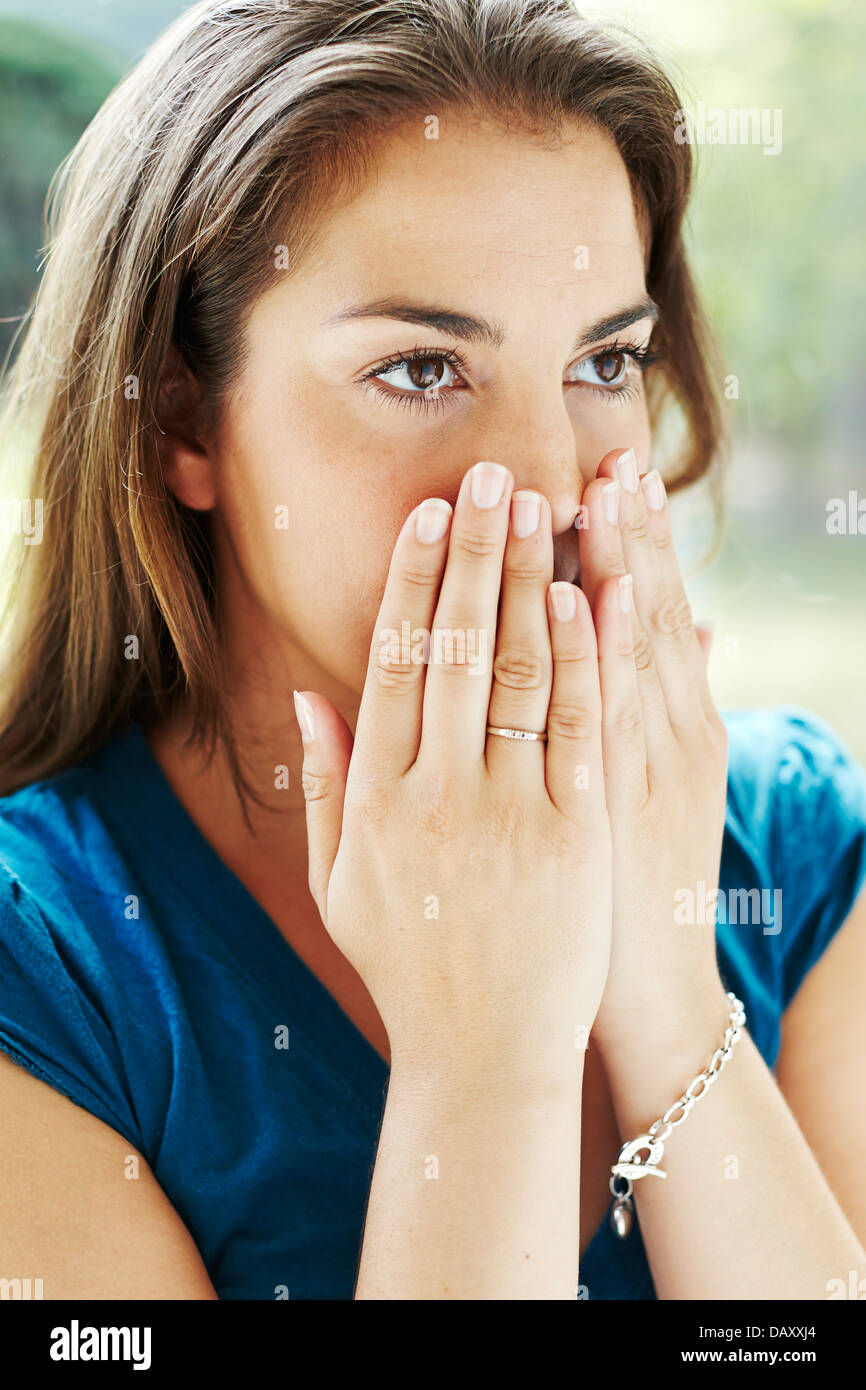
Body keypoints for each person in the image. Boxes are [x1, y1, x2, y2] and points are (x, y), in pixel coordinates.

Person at [0, 0, 864, 1301]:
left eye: (604, 358)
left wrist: (669, 995)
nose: (547, 476)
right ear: (180, 412)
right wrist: (483, 1062)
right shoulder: (46, 965)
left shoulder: (795, 849)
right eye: (419, 369)